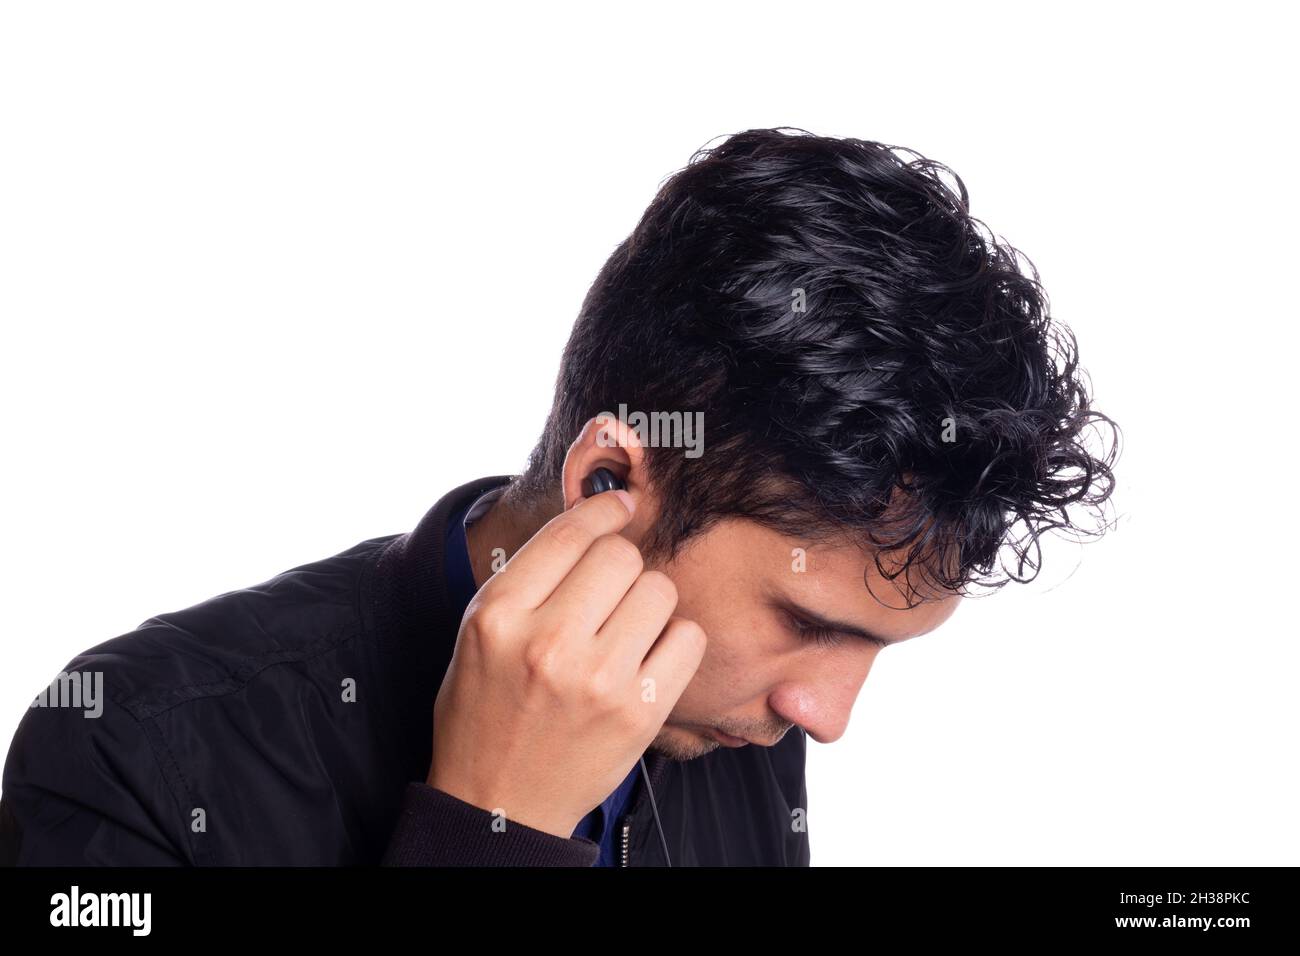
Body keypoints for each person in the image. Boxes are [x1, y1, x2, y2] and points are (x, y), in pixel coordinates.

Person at [0, 127, 1118, 866]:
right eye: (809, 621)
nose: (825, 714)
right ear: (608, 484)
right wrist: (492, 822)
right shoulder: (129, 750)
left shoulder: (730, 722)